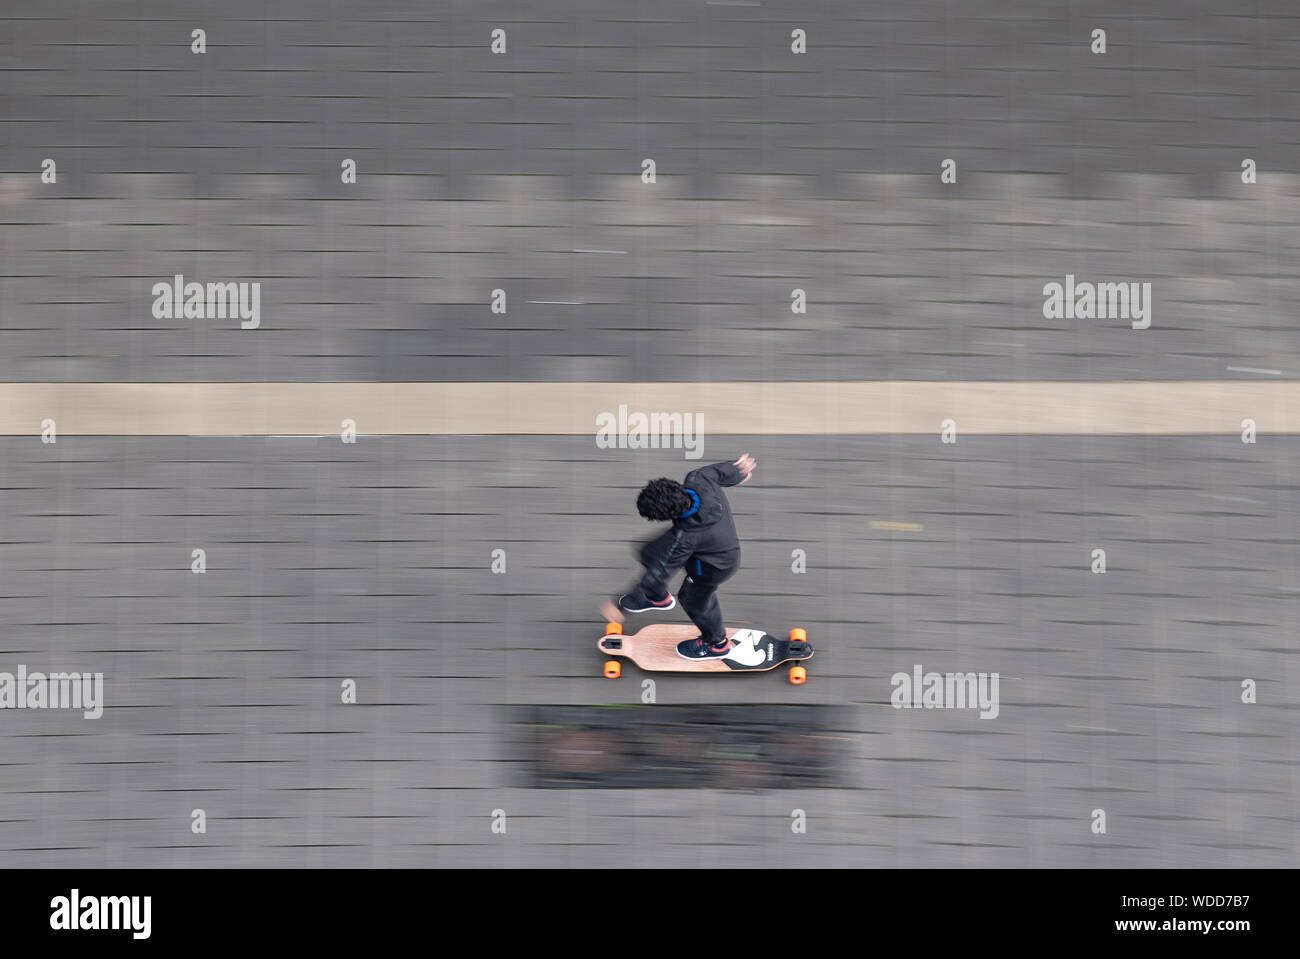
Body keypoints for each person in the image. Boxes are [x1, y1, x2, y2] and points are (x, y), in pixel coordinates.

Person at [612, 454, 756, 658]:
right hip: (710, 542)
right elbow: (718, 472)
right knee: (649, 552)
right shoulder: (698, 478)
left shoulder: (685, 538)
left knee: (693, 599)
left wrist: (622, 606)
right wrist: (738, 472)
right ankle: (657, 597)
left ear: (670, 516)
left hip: (715, 565)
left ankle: (718, 644)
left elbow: (660, 572)